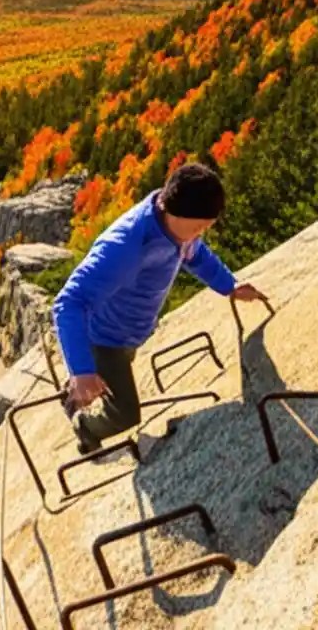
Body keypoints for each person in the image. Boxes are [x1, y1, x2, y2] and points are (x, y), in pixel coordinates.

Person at [51, 162, 267, 454]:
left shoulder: (178, 226)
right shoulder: (126, 246)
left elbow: (196, 255)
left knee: (115, 376)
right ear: (171, 210)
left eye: (205, 227)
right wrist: (82, 369)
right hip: (102, 339)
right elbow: (68, 303)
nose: (199, 233)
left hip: (129, 332)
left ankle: (84, 385)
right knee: (126, 413)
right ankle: (85, 426)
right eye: (197, 227)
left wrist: (230, 285)